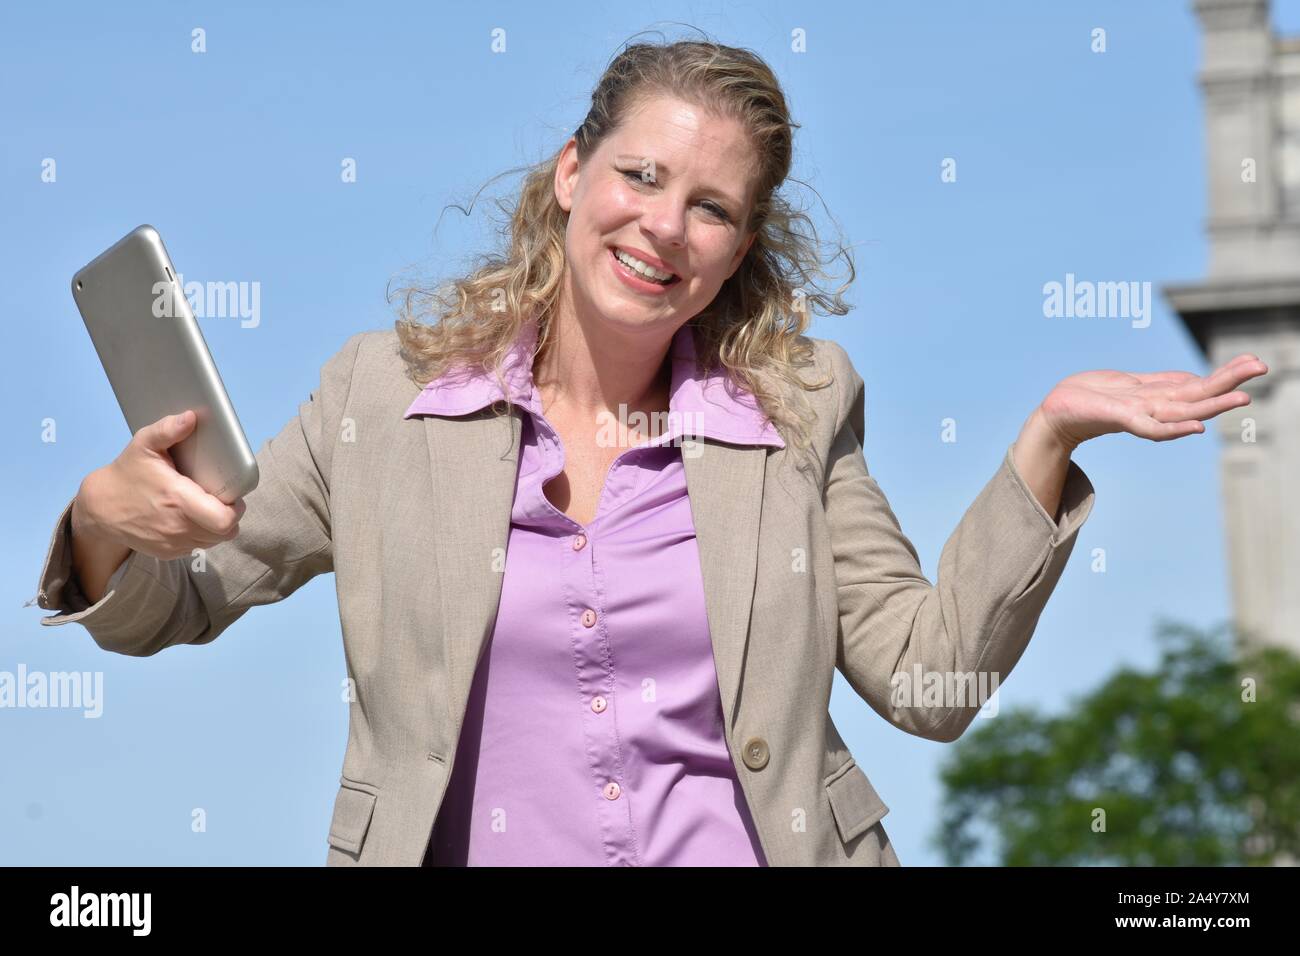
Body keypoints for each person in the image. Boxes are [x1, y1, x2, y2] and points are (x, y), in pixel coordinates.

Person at [32, 38, 1268, 867]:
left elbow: (923, 676)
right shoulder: (381, 397)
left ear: (738, 249)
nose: (663, 226)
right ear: (572, 175)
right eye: (639, 174)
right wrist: (103, 522)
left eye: (713, 208)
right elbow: (175, 605)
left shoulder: (797, 407)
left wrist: (1045, 442)